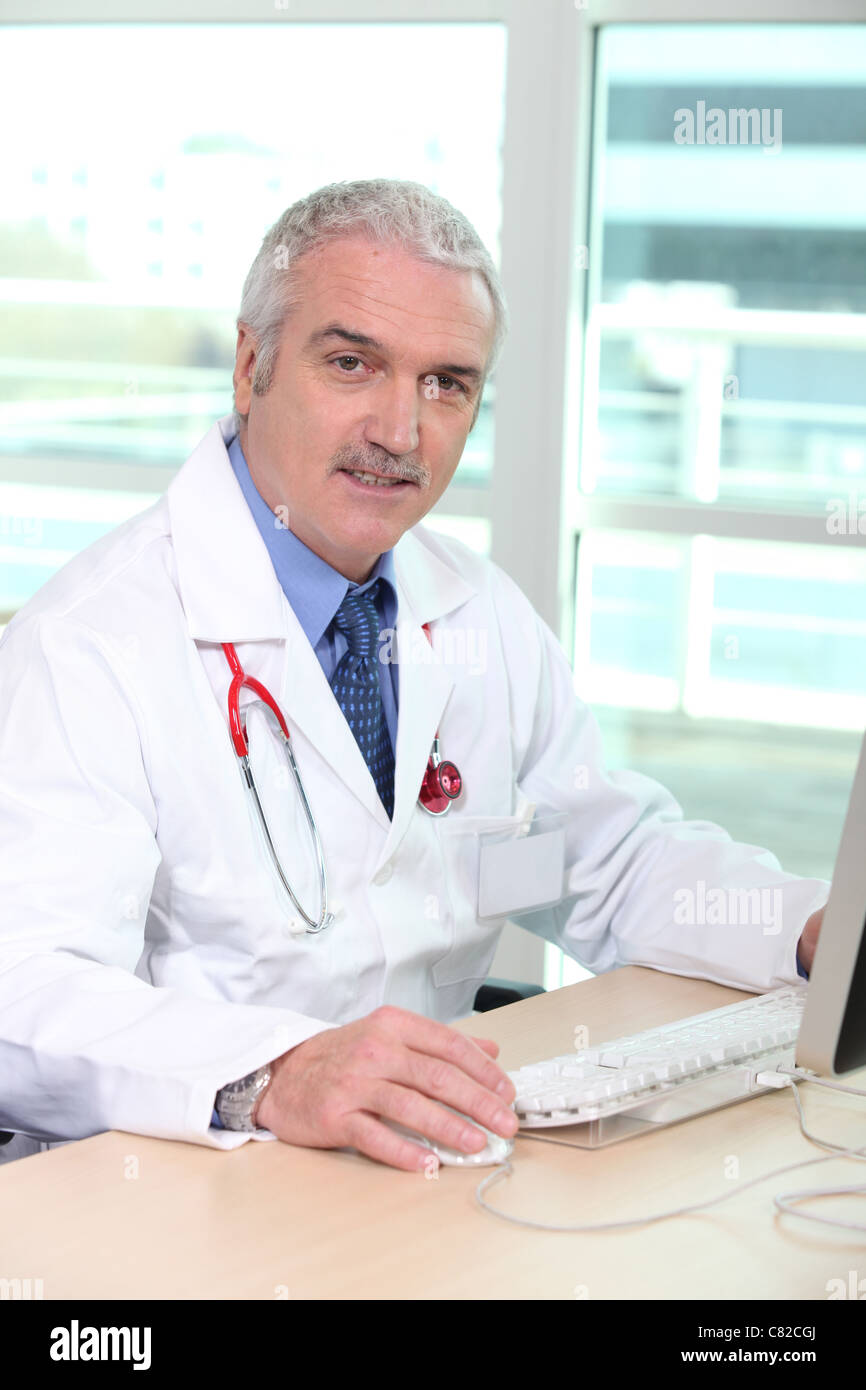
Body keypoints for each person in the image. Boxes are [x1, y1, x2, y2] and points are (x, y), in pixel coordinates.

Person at [0, 179, 826, 1171]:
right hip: (184, 1185)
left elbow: (600, 867)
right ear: (251, 365)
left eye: (447, 383)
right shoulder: (90, 644)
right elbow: (25, 989)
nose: (401, 430)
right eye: (352, 363)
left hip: (420, 1179)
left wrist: (811, 929)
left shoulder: (476, 617)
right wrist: (274, 1069)